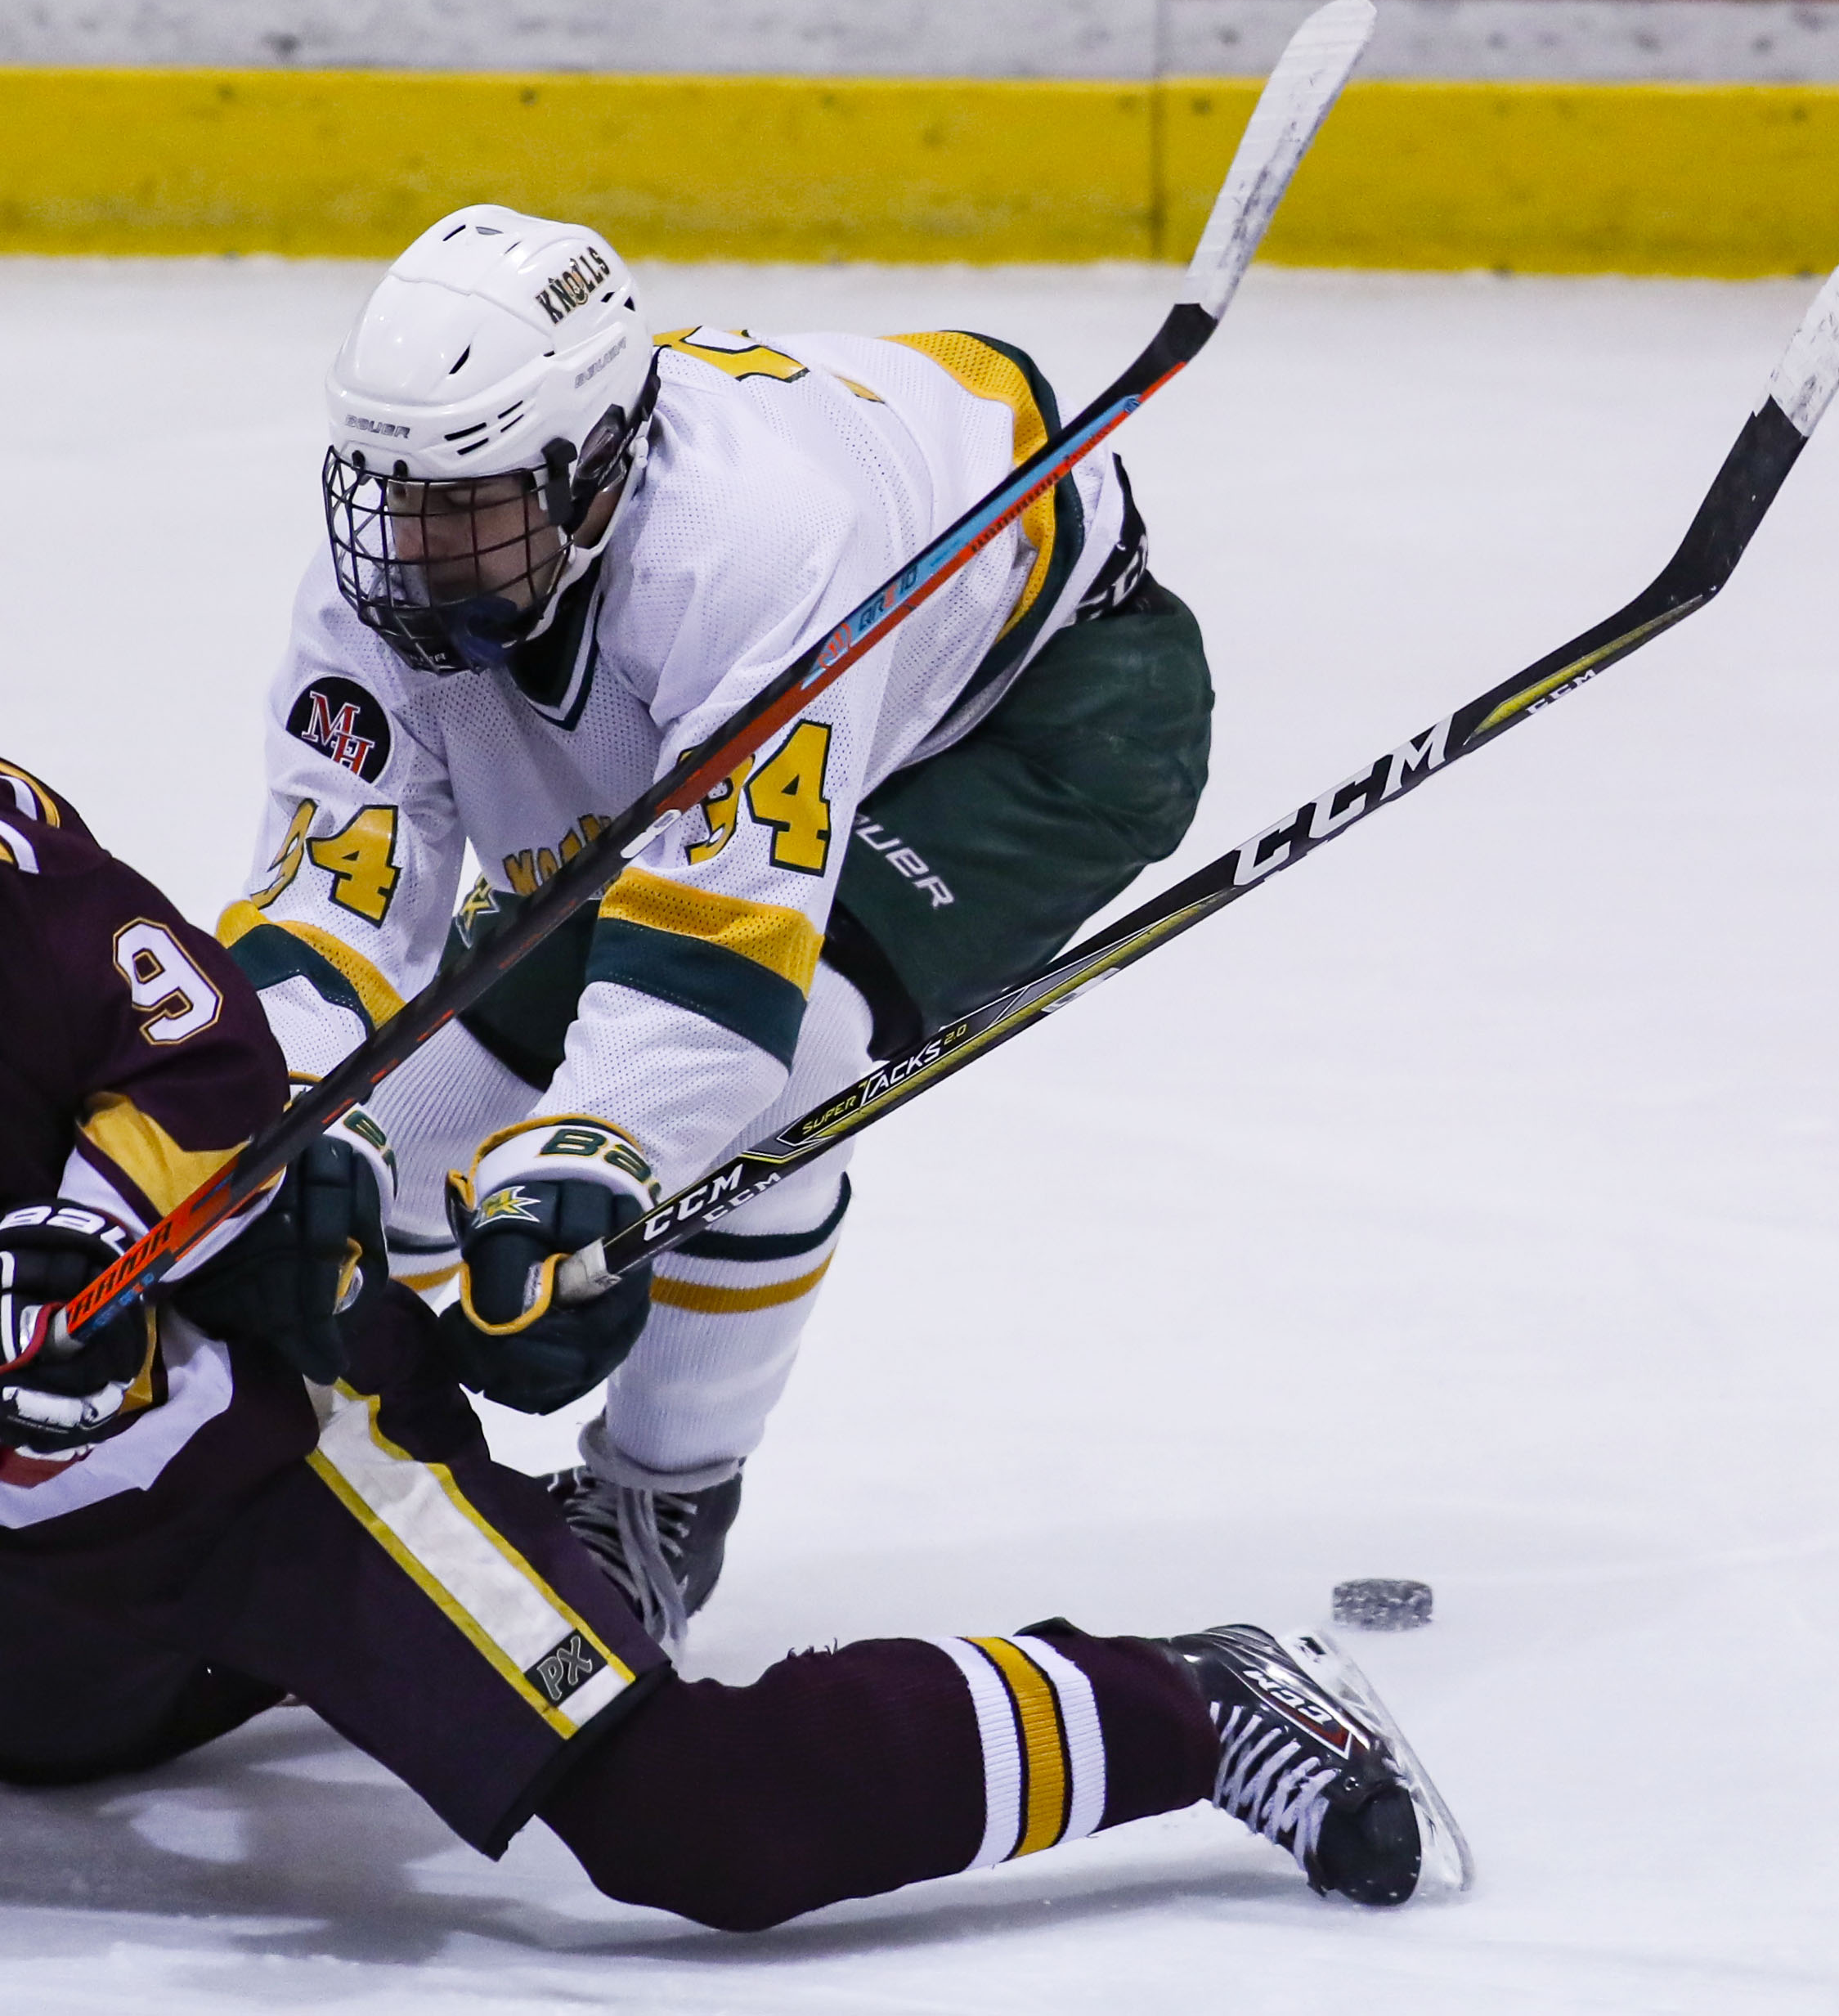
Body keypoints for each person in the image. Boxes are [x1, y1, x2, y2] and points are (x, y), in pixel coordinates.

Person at [0, 527, 1458, 1929]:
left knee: (699, 1829)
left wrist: (85, 1241)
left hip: (260, 1447)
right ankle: (476, 1607)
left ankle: (1195, 1699)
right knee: (36, 1752)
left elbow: (213, 1068)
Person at [221, 207, 1217, 1644]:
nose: (412, 551)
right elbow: (329, 899)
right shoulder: (392, 580)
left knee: (778, 1076)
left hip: (1039, 716)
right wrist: (284, 1124)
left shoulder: (747, 542)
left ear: (598, 467)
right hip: (717, 711)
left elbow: (713, 955)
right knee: (397, 1126)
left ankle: (657, 1498)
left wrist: (590, 1169)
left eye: (467, 502)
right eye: (389, 493)